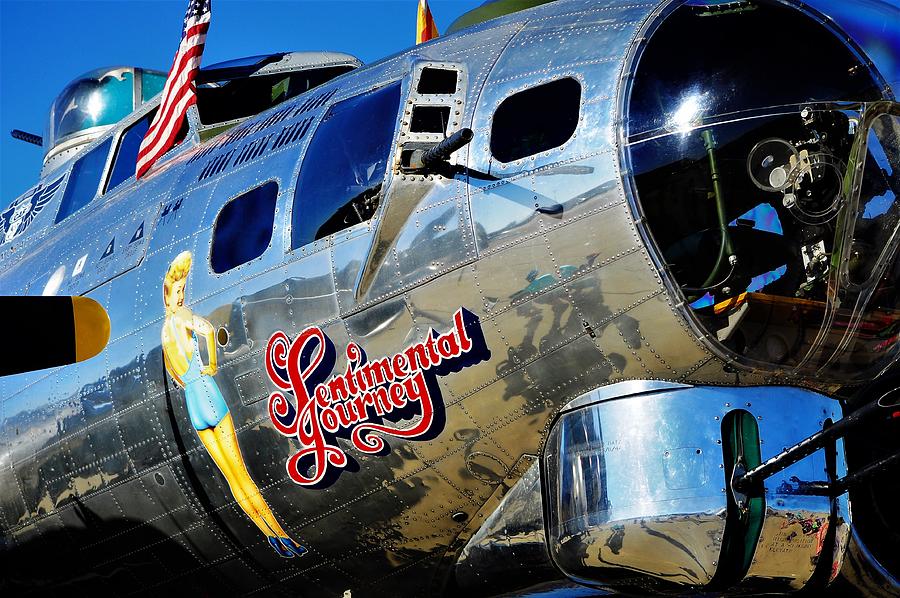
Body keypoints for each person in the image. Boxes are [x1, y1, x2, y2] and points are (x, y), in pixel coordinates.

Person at [161, 250, 306, 558]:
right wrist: (211, 365)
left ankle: (270, 537)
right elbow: (209, 330)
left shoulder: (163, 333)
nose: (182, 296)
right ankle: (281, 534)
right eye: (180, 290)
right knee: (242, 472)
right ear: (171, 293)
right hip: (207, 392)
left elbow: (174, 374)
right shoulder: (183, 317)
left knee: (231, 478)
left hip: (193, 402)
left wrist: (188, 381)